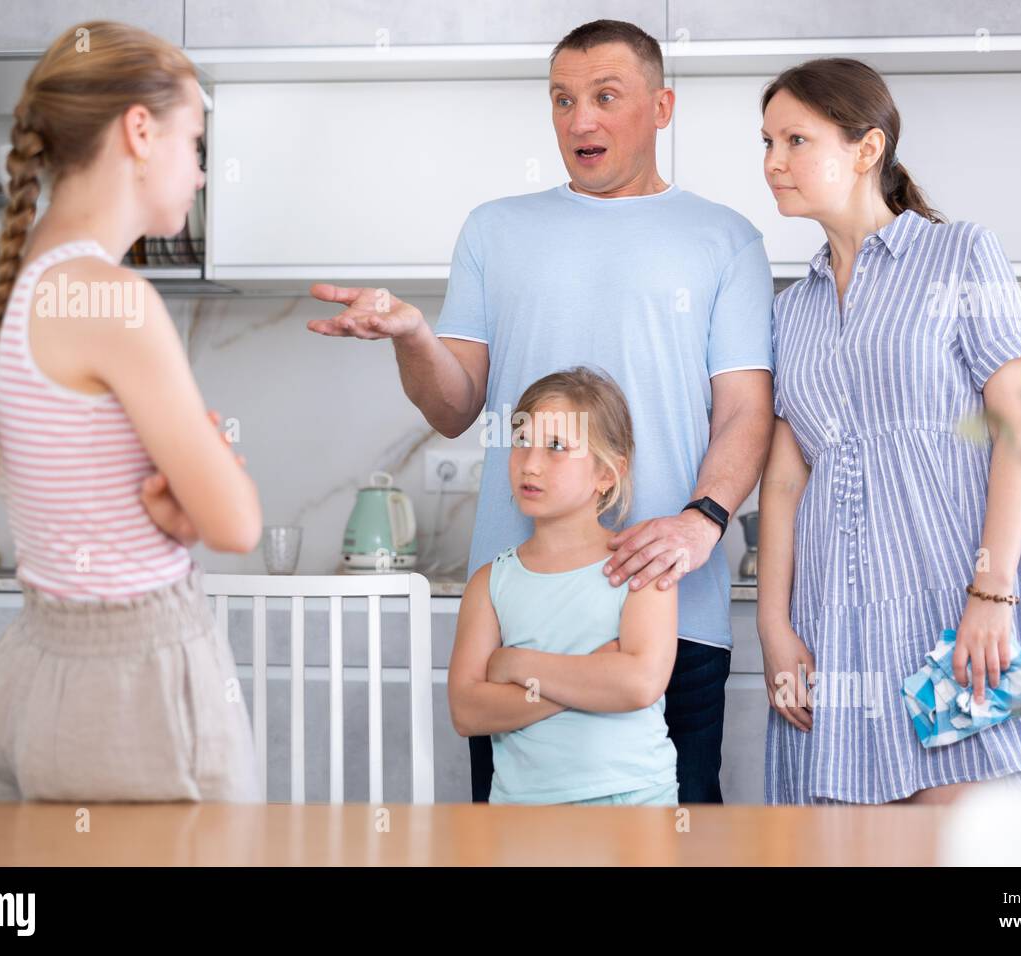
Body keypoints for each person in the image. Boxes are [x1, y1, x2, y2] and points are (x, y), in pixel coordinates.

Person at [308, 18, 774, 805]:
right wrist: (414, 334)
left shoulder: (726, 240)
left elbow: (746, 413)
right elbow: (455, 406)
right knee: (517, 837)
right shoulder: (496, 230)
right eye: (561, 100)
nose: (579, 120)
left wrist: (702, 521)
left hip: (669, 609)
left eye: (604, 96)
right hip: (521, 609)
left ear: (662, 108)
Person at [0, 21, 262, 802]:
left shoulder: (28, 288)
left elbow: (129, 502)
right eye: (194, 144)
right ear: (139, 130)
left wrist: (181, 495)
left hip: (39, 666)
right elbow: (238, 524)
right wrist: (207, 476)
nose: (197, 177)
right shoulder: (115, 302)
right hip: (137, 685)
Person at [755, 57, 1021, 805]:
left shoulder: (962, 252)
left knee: (967, 839)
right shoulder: (790, 309)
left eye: (796, 140)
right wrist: (775, 627)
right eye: (767, 143)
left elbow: (1019, 428)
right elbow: (783, 478)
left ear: (867, 149)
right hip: (832, 633)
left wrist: (991, 597)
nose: (774, 163)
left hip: (954, 614)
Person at [447, 367, 679, 805]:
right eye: (522, 443)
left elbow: (637, 685)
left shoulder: (640, 567)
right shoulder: (490, 584)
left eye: (556, 447)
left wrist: (515, 665)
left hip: (634, 803)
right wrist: (591, 679)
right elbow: (466, 711)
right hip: (522, 812)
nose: (530, 464)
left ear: (607, 473)